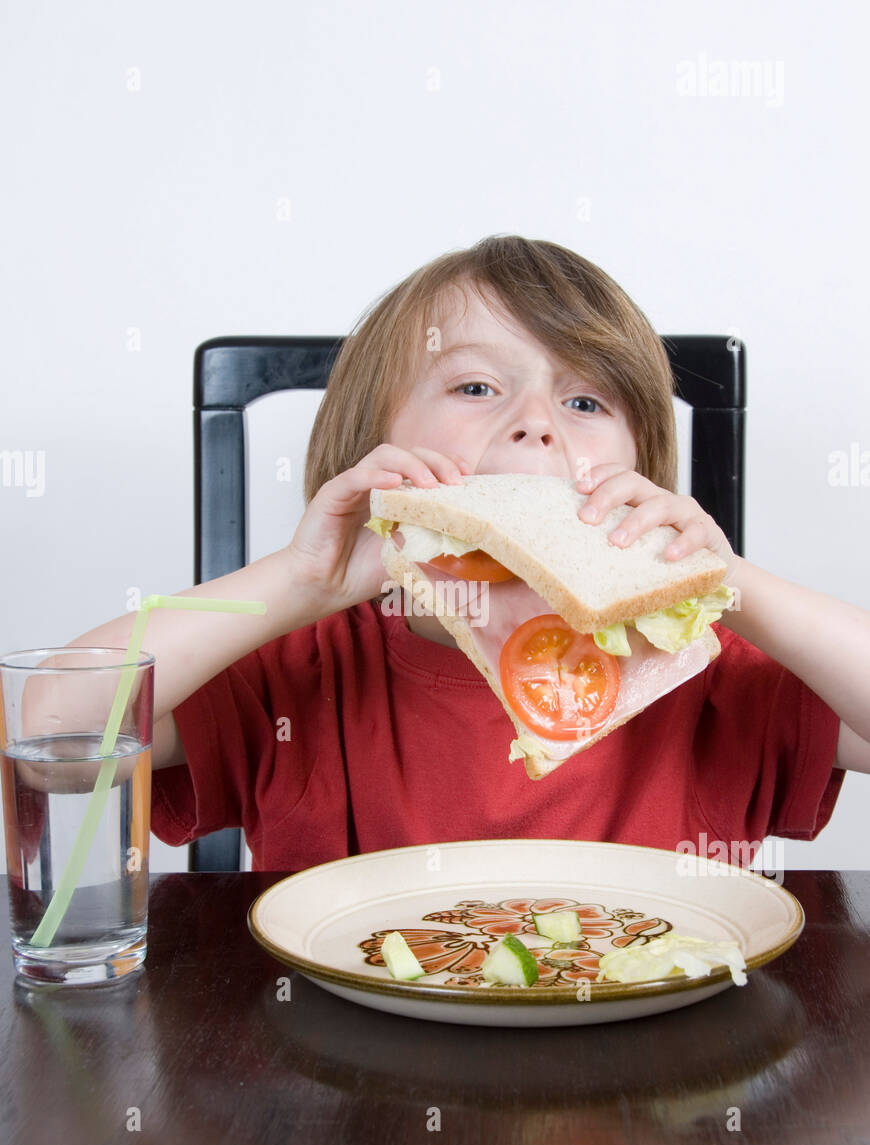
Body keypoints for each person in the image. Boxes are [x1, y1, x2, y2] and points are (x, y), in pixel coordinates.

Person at [65, 236, 868, 873]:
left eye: (585, 400)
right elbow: (51, 738)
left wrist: (726, 584)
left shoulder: (695, 665)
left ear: (642, 472)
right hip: (351, 1064)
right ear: (372, 443)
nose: (536, 422)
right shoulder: (296, 666)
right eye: (476, 387)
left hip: (649, 1064)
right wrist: (296, 583)